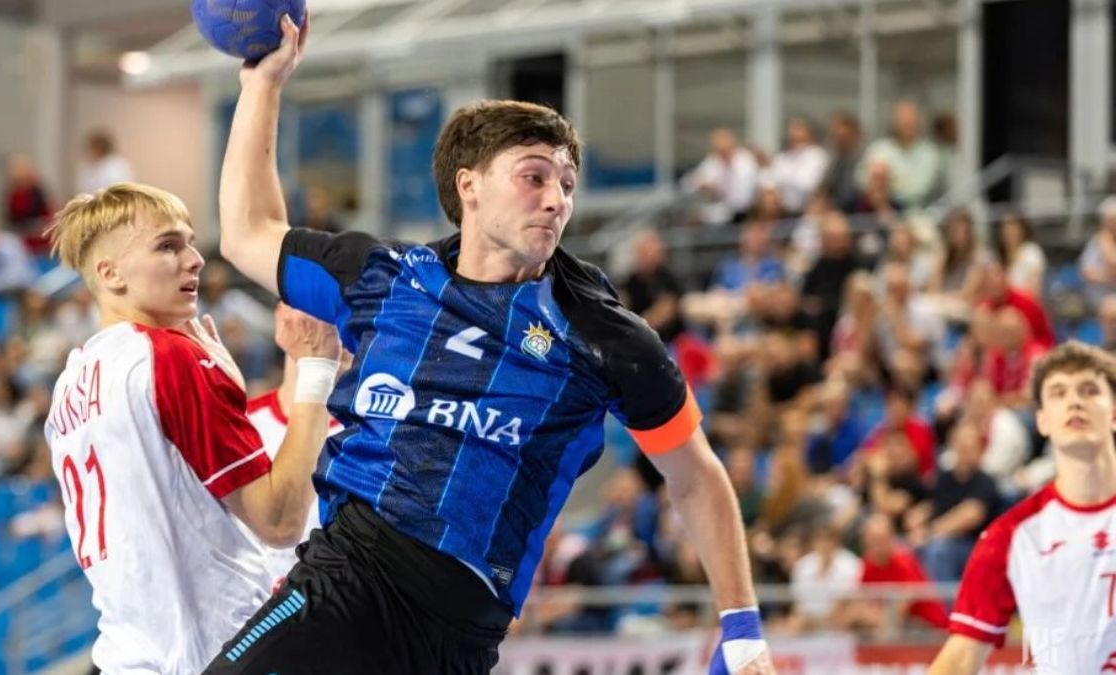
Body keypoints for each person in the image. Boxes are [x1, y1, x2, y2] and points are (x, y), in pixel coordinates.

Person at [208, 14, 774, 675]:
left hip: (462, 635)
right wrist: (262, 85)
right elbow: (248, 232)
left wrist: (742, 627)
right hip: (349, 577)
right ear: (468, 186)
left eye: (566, 182)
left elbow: (696, 477)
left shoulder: (604, 334)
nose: (556, 199)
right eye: (534, 176)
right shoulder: (383, 278)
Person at [43, 182, 342, 675]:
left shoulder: (70, 382)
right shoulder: (168, 356)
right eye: (167, 246)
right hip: (208, 650)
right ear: (110, 273)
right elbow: (281, 521)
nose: (195, 259)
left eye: (188, 241)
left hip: (127, 653)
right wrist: (315, 367)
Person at [929, 341, 1116, 674]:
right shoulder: (1012, 537)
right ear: (1042, 421)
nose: (1075, 401)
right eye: (1059, 393)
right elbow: (959, 659)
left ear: (1114, 412)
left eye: (1089, 390)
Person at [245, 303, 350, 587]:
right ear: (283, 319)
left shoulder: (383, 438)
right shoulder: (239, 425)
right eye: (325, 306)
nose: (338, 329)